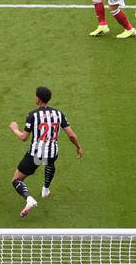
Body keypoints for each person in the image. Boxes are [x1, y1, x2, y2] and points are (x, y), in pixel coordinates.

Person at [9, 86, 82, 218]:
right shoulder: (59, 114)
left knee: (16, 180)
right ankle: (45, 190)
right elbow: (71, 135)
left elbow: (23, 138)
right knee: (49, 162)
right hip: (52, 152)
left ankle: (29, 199)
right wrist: (78, 147)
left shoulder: (32, 115)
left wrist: (15, 129)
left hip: (36, 154)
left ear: (38, 98)